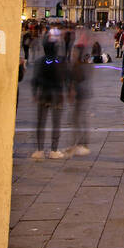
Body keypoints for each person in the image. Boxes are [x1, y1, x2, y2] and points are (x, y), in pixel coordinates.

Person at [30, 29, 67, 159]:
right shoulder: (60, 61)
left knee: (41, 122)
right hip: (56, 96)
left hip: (43, 95)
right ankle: (54, 150)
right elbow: (64, 78)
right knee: (56, 122)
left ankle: (39, 150)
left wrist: (35, 93)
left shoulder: (40, 61)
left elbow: (35, 79)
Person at [68, 31, 93, 154]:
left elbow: (80, 79)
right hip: (79, 95)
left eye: (74, 52)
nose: (73, 54)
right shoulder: (77, 64)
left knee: (79, 119)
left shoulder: (81, 65)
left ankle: (82, 144)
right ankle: (78, 143)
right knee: (76, 118)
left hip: (81, 95)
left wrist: (73, 90)